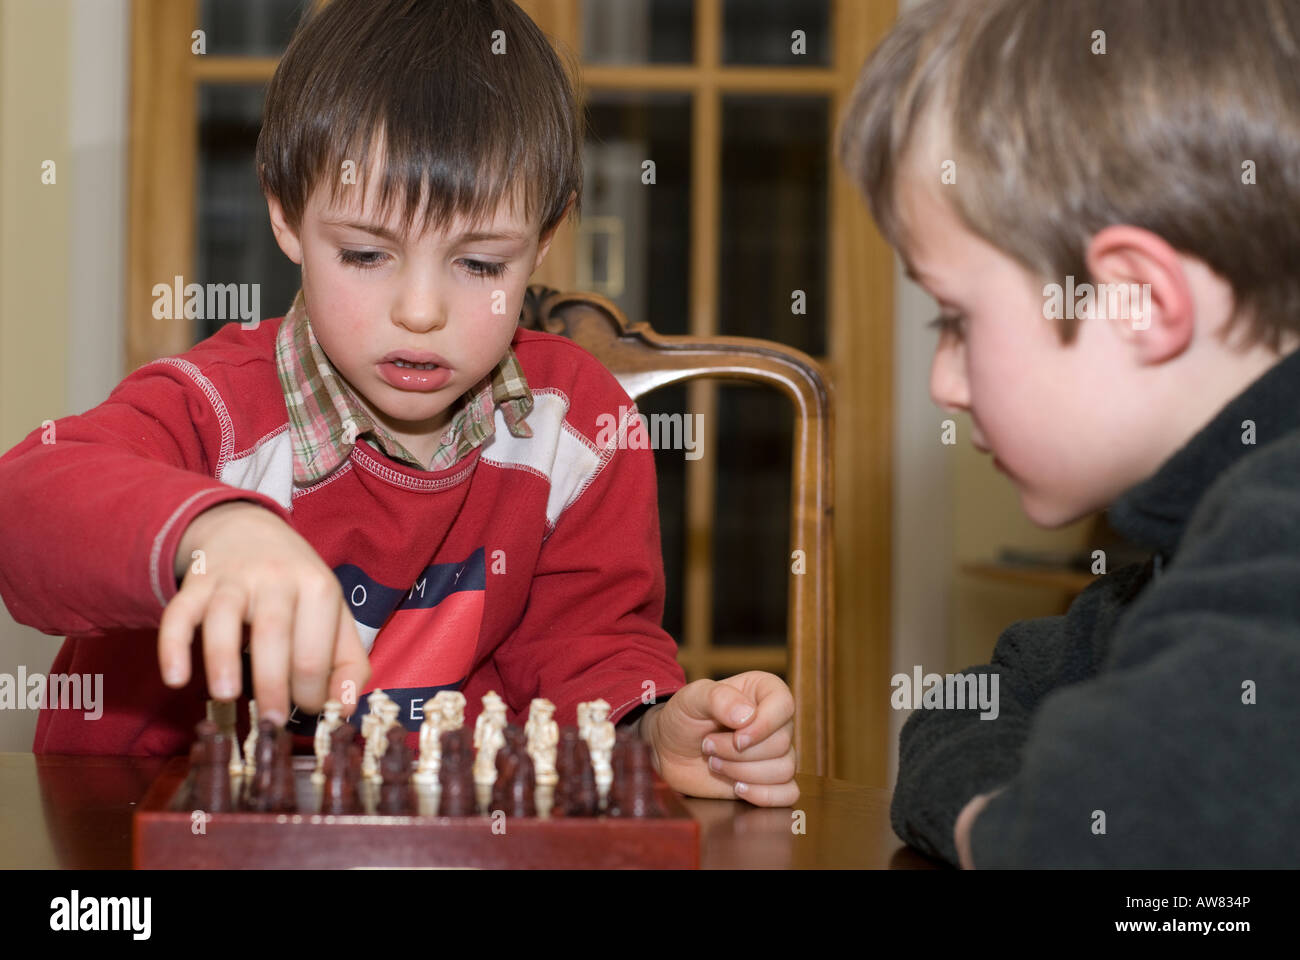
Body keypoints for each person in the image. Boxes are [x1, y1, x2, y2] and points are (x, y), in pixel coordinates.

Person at [0, 0, 795, 808]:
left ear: (545, 240)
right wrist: (211, 531)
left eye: (480, 264)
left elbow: (590, 648)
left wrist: (654, 732)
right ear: (285, 213)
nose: (421, 310)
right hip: (146, 842)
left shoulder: (574, 423)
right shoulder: (216, 411)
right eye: (367, 253)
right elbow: (23, 508)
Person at [838, 0, 1300, 866]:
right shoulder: (1178, 559)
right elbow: (972, 702)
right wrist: (1010, 815)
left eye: (956, 318)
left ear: (1136, 301)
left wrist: (1015, 825)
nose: (944, 383)